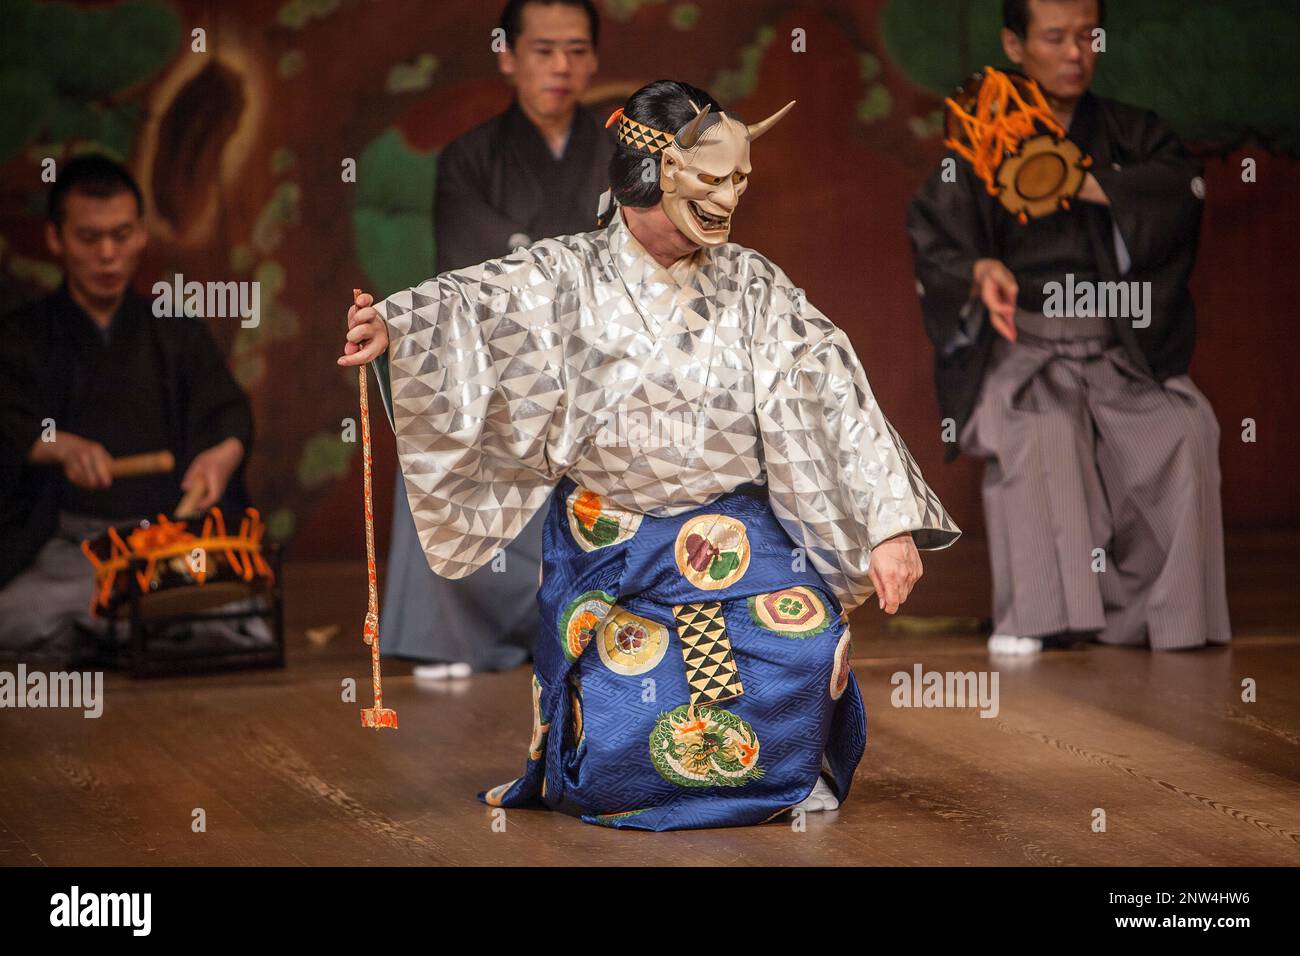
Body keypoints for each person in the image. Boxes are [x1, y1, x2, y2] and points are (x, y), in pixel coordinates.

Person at [342, 79, 959, 831]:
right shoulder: (564, 275)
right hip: (614, 535)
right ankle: (629, 778)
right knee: (623, 686)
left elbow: (833, 395)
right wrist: (396, 330)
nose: (729, 198)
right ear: (653, 172)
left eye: (740, 180)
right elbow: (473, 305)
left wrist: (886, 522)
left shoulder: (754, 286)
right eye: (712, 178)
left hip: (735, 529)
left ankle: (783, 778)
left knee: (804, 635)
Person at [908, 0, 1230, 654]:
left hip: (1119, 349)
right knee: (1039, 434)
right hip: (1025, 349)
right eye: (1055, 37)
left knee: (1183, 432)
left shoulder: (1132, 133)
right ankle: (1039, 617)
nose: (1076, 53)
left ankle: (1162, 619)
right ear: (1015, 43)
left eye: (1087, 36)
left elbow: (1179, 191)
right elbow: (936, 238)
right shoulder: (981, 136)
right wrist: (980, 270)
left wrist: (1082, 183)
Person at [382, 0, 614, 679]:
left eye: (576, 50)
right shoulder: (469, 159)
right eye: (543, 50)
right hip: (506, 370)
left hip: (603, 369)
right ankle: (452, 632)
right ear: (508, 56)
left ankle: (604, 611)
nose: (561, 67)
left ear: (594, 59)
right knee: (437, 417)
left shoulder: (621, 156)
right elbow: (478, 285)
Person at [0, 154, 262, 664]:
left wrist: (218, 459)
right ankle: (134, 627)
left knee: (240, 615)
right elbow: (6, 418)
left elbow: (227, 413)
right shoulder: (22, 337)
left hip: (161, 538)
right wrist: (56, 445)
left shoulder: (173, 330)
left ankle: (110, 629)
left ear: (141, 235)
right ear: (56, 239)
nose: (107, 255)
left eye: (121, 236)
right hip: (65, 548)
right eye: (89, 238)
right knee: (20, 610)